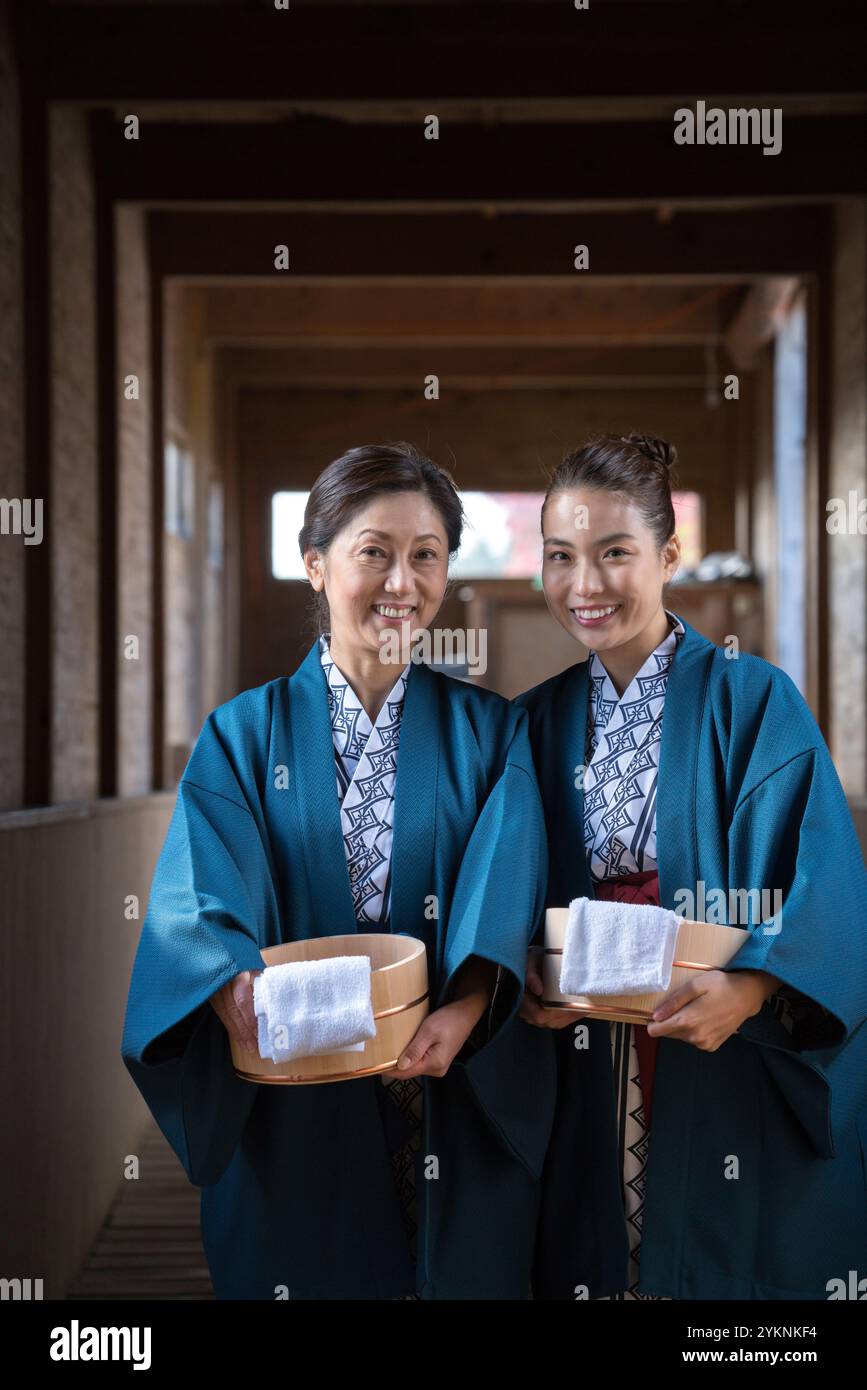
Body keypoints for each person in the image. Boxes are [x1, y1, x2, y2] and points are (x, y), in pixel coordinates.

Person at [122, 442, 556, 1300]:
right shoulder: (242, 737)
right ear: (314, 564)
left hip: (450, 1088)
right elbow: (199, 902)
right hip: (296, 1099)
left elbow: (509, 880)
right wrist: (228, 986)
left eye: (425, 555)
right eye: (374, 553)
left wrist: (466, 1009)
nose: (403, 581)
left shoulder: (489, 731)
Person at [517, 432, 867, 1301]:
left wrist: (750, 989)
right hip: (585, 1043)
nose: (584, 585)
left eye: (614, 554)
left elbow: (826, 890)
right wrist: (519, 970)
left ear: (670, 556)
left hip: (718, 1030)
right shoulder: (533, 719)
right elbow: (498, 888)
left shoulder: (754, 700)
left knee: (719, 1277)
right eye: (560, 557)